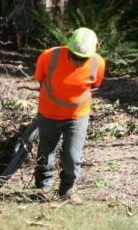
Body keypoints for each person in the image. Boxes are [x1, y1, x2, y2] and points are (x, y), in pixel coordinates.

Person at [32, 27, 105, 204]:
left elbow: (94, 84)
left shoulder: (98, 63)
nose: (78, 61)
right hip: (49, 113)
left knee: (72, 157)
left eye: (83, 58)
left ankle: (67, 191)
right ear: (68, 46)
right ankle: (42, 188)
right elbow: (39, 79)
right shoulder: (48, 56)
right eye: (75, 56)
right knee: (45, 151)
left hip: (77, 116)